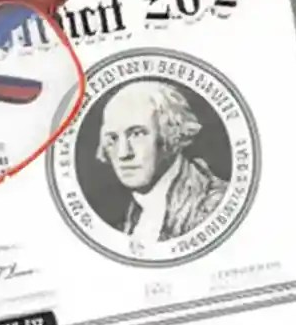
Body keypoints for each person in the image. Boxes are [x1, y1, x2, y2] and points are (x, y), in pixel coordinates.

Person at [95, 80, 228, 242]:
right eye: (113, 139)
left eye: (137, 134)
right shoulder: (132, 215)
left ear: (172, 134)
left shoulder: (217, 206)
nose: (123, 153)